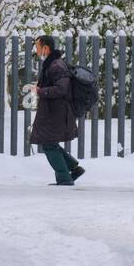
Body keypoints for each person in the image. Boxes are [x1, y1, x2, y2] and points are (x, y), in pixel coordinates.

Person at [29, 35, 85, 186]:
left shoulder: (56, 65)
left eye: (38, 46)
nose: (36, 49)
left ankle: (65, 178)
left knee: (48, 143)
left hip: (57, 113)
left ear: (46, 48)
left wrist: (40, 91)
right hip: (53, 112)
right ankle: (73, 168)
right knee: (50, 143)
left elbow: (62, 89)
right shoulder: (52, 64)